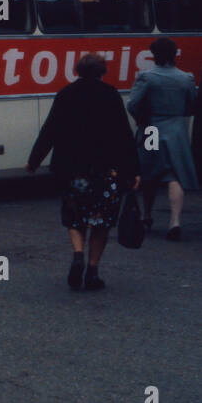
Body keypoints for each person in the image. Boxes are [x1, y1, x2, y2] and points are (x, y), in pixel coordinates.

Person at [26, 53, 141, 290]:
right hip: (106, 170)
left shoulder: (66, 94)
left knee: (75, 215)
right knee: (101, 221)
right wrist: (133, 170)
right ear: (102, 71)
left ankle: (77, 254)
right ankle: (92, 270)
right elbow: (123, 135)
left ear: (77, 70)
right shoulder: (110, 95)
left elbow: (50, 130)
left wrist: (34, 160)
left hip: (73, 170)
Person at [127, 37, 197, 240]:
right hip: (176, 130)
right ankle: (174, 221)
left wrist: (141, 119)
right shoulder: (186, 78)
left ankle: (147, 214)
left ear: (154, 55)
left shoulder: (146, 77)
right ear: (175, 55)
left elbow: (132, 104)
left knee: (149, 172)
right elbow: (191, 106)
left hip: (151, 128)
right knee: (175, 175)